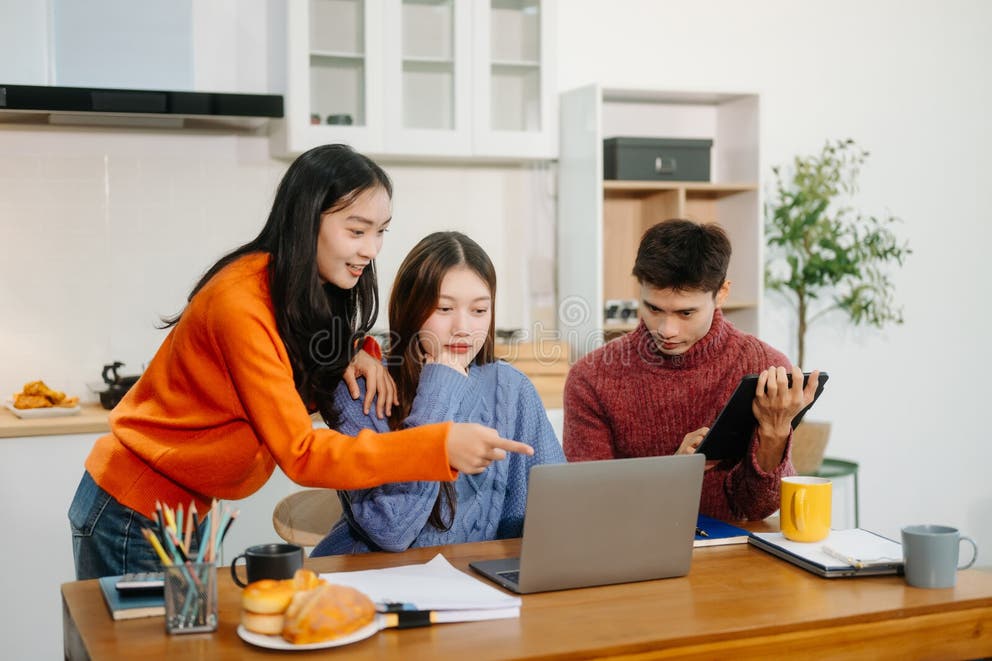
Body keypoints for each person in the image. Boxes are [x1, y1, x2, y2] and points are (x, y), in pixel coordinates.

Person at [68, 145, 533, 579]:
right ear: (306, 220)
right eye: (356, 231)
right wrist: (438, 447)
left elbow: (307, 338)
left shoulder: (296, 290)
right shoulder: (239, 302)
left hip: (180, 507)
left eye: (380, 232)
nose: (371, 250)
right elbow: (301, 454)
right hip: (131, 509)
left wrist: (359, 349)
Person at [311, 231, 565, 555]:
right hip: (371, 586)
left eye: (479, 310)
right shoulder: (360, 389)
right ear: (410, 309)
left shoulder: (511, 389)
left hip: (473, 588)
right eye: (444, 309)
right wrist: (439, 389)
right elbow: (392, 531)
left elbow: (556, 516)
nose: (463, 327)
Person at [563, 218, 819, 521]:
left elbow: (756, 508)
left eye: (686, 312)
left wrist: (775, 433)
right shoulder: (591, 379)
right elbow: (590, 507)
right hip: (631, 555)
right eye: (654, 308)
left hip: (735, 557)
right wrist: (673, 470)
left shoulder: (763, 367)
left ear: (721, 293)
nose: (666, 329)